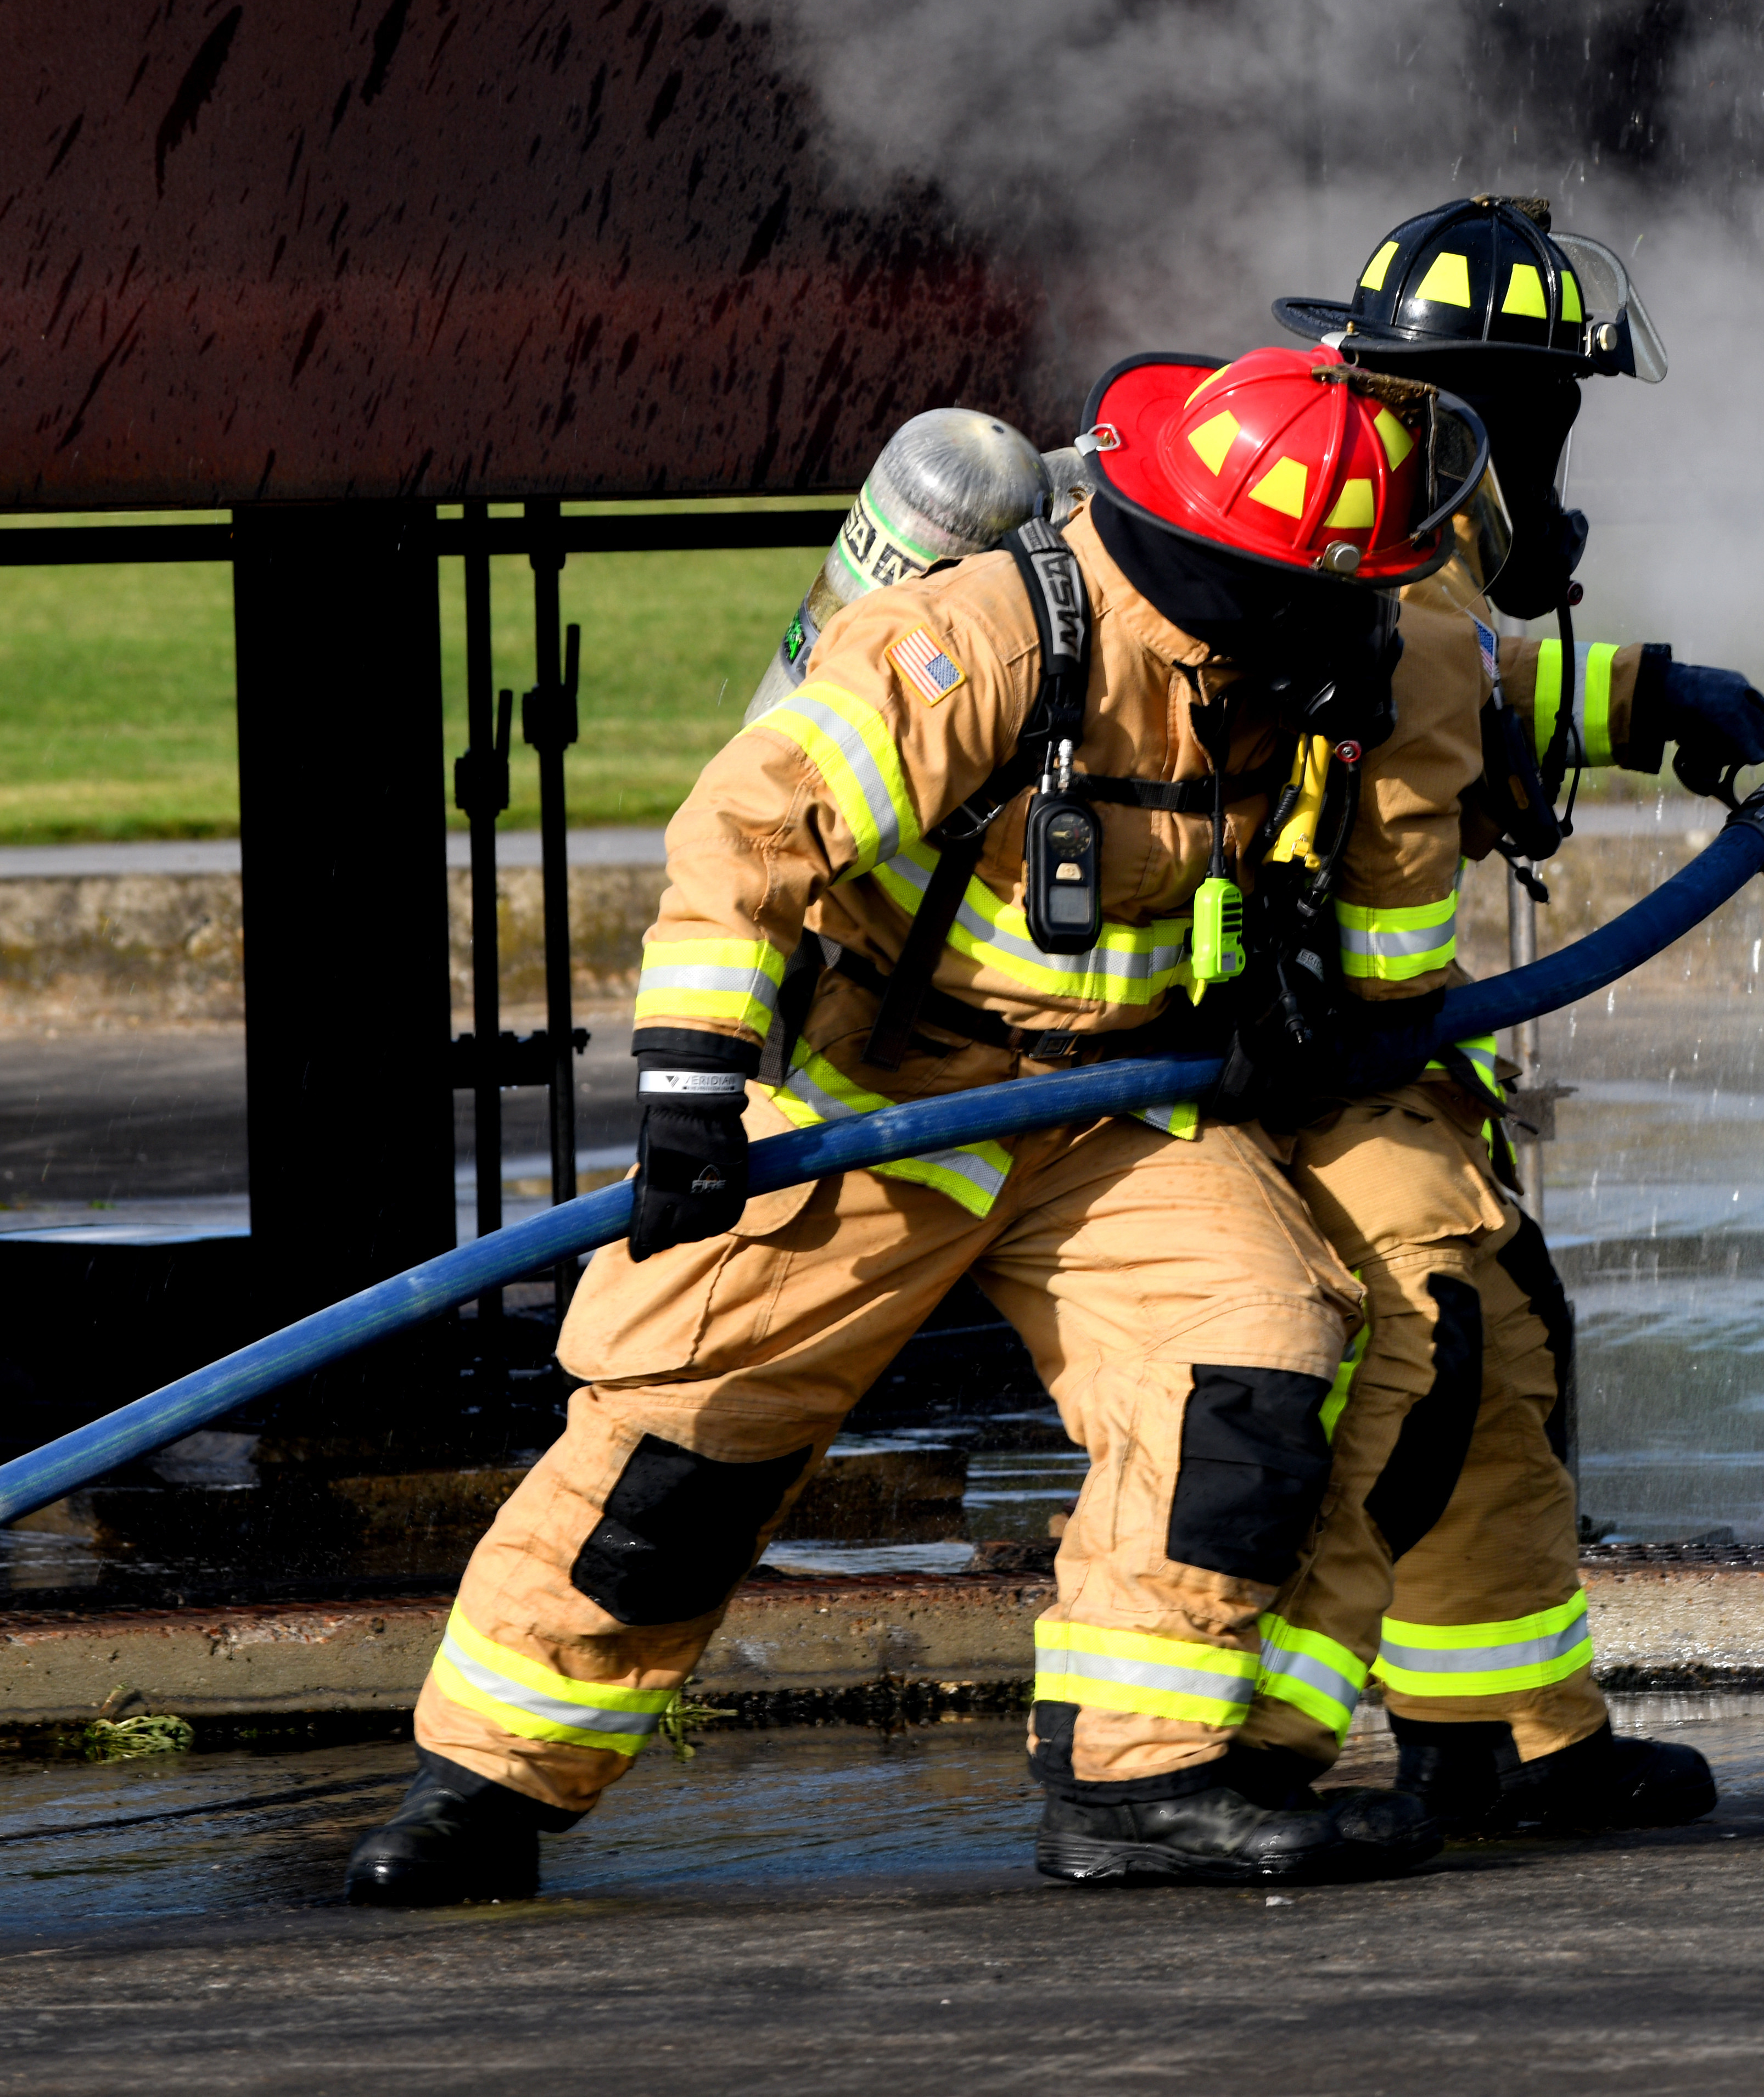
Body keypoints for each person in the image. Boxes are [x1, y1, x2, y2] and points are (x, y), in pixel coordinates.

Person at [345, 344, 1499, 1904]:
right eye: (1340, 599)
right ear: (1233, 572)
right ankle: (480, 1792)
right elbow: (753, 824)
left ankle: (1140, 1782)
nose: (1369, 628)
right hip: (873, 1102)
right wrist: (691, 1085)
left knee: (1260, 1338)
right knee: (683, 1446)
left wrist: (1285, 1023)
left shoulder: (1278, 675)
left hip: (1107, 1121)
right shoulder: (986, 641)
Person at [1239, 195, 1764, 1836]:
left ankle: (1500, 1742)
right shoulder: (1394, 524)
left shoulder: (1380, 487)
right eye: (1556, 415)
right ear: (1499, 406)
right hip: (1277, 1045)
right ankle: (1237, 1755)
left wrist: (1630, 698)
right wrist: (1399, 1031)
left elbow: (1460, 681)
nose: (1561, 462)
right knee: (1430, 1344)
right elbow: (1401, 826)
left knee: (1502, 1332)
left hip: (1296, 1031)